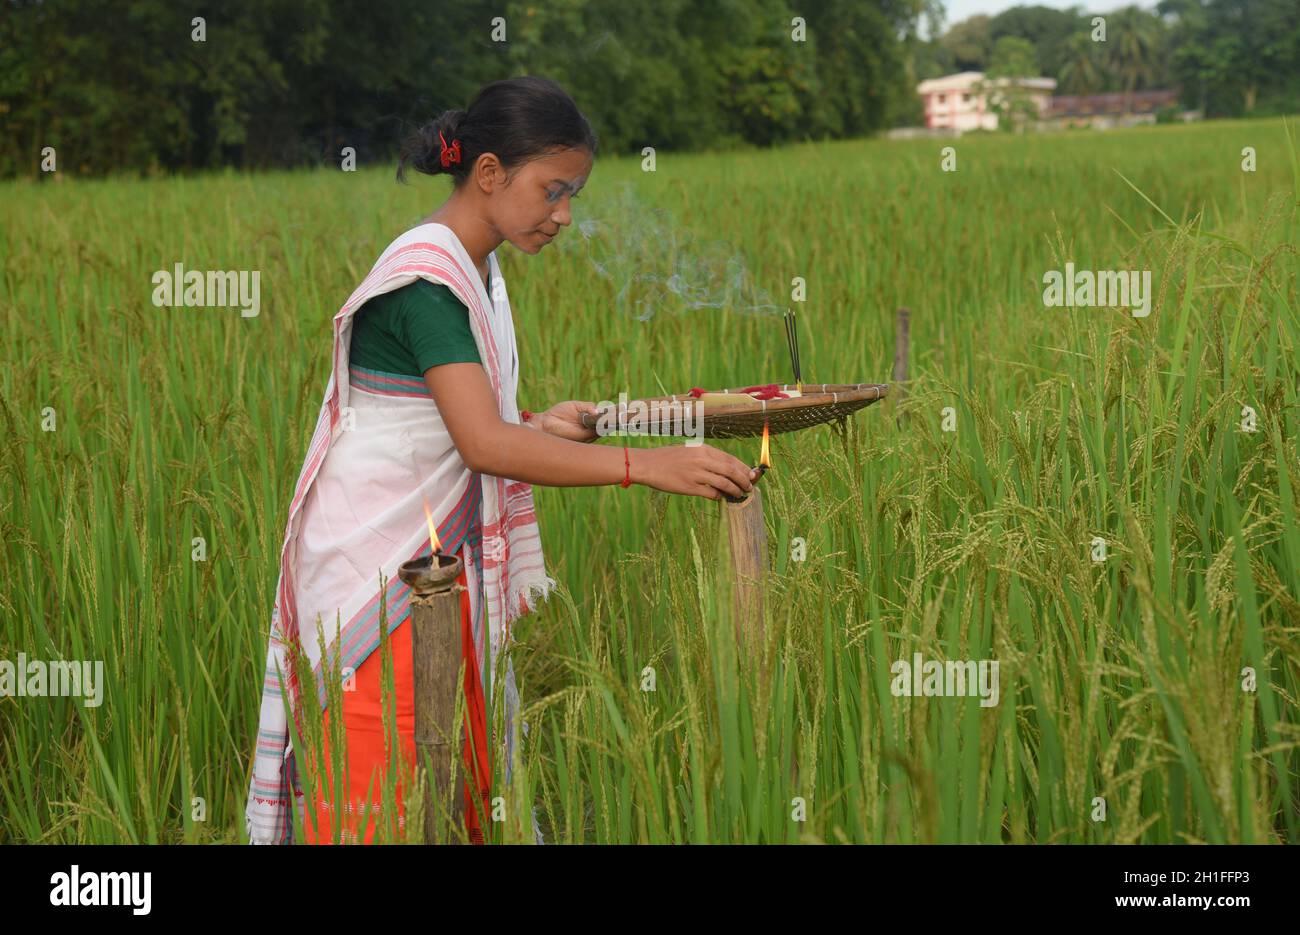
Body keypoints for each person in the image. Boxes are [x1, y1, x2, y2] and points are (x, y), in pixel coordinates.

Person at [245, 75, 758, 845]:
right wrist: (648, 465)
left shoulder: (481, 272)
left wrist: (541, 424)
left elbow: (458, 419)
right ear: (489, 173)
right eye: (554, 191)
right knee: (381, 803)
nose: (564, 215)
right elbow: (481, 444)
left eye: (573, 194)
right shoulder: (428, 285)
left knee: (453, 795)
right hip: (376, 594)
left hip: (435, 583)